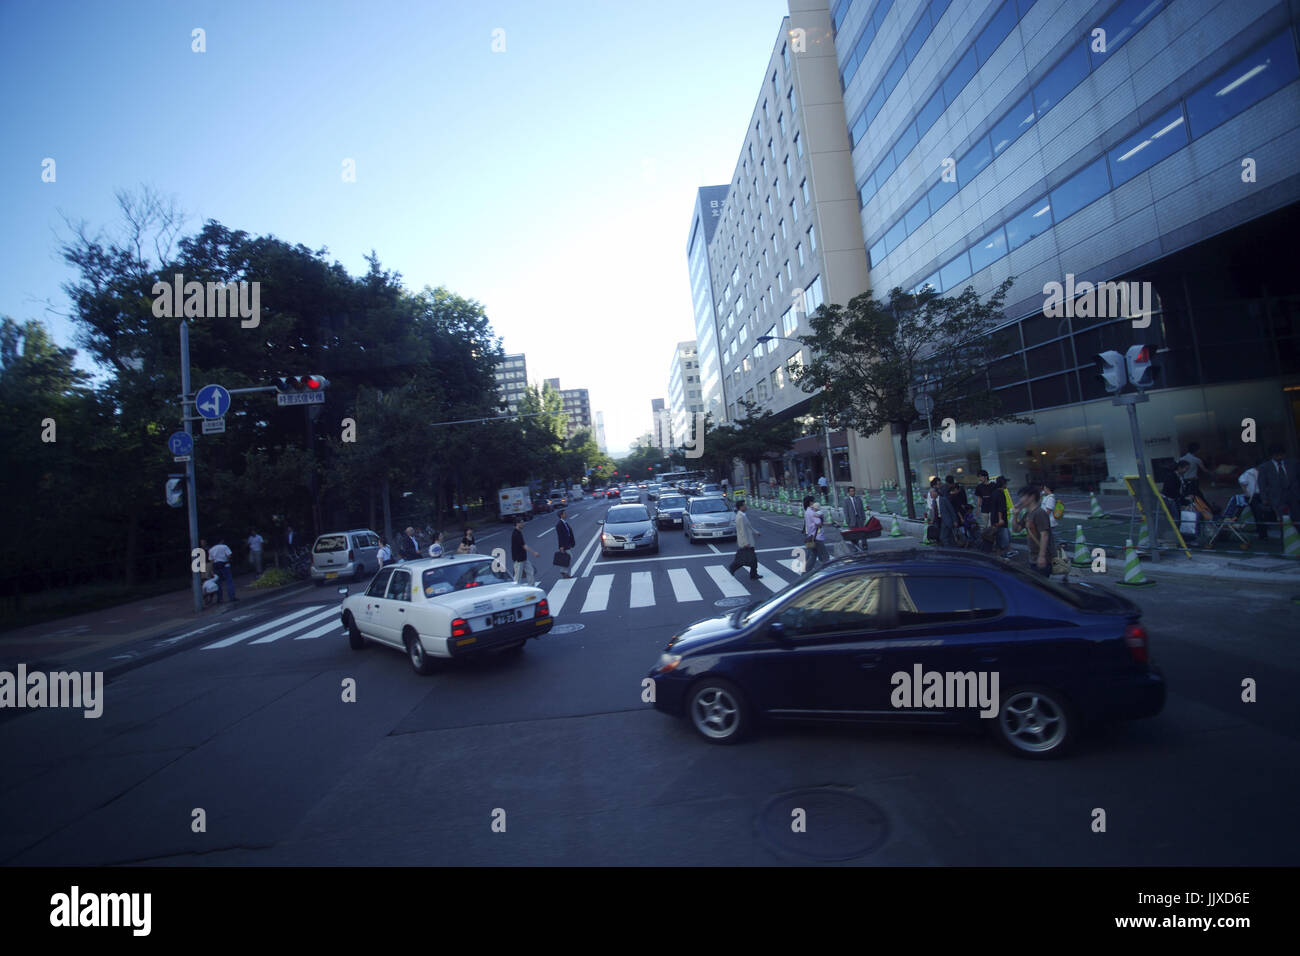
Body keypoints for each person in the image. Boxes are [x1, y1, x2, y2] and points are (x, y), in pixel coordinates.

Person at [1258, 444, 1300, 529]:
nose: (1279, 457)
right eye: (1276, 455)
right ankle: (1285, 538)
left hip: (1294, 494)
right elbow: (1262, 484)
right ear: (1272, 456)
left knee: (1297, 517)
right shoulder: (1265, 467)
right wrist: (1264, 499)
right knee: (1283, 519)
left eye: (1281, 455)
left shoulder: (1294, 463)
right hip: (1277, 496)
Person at [1017, 485, 1055, 577]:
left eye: (1023, 496)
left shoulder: (1039, 513)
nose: (1021, 500)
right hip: (1033, 558)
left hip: (1042, 558)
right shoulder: (1028, 514)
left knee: (1041, 587)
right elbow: (1016, 529)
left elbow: (1044, 535)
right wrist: (1015, 515)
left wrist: (1042, 556)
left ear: (1032, 497)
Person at [728, 500, 762, 580]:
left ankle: (753, 574)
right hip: (746, 542)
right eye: (744, 505)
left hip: (747, 541)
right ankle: (733, 567)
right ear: (741, 507)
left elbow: (748, 526)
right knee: (749, 558)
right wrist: (746, 542)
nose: (746, 506)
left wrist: (756, 532)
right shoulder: (740, 517)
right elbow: (742, 531)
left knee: (748, 558)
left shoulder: (742, 515)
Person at [1238, 462, 1268, 540]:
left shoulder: (1264, 472)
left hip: (1262, 494)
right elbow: (1242, 481)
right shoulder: (1249, 473)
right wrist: (1246, 492)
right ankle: (1262, 534)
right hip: (1253, 495)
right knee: (1258, 514)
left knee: (1263, 514)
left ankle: (1264, 532)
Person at [511, 518, 540, 587]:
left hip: (523, 557)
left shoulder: (519, 532)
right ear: (517, 524)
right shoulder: (515, 533)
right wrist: (534, 552)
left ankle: (531, 585)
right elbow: (523, 545)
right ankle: (515, 589)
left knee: (530, 571)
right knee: (518, 576)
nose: (523, 524)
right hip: (518, 559)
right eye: (521, 523)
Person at [988, 478, 1013, 558]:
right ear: (1003, 484)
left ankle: (1001, 554)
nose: (1006, 485)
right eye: (1005, 483)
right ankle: (1004, 554)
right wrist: (1000, 519)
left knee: (999, 537)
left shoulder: (994, 492)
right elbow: (1000, 508)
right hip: (1000, 519)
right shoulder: (1000, 493)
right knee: (1002, 536)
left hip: (994, 518)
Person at [803, 495, 830, 567]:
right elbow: (818, 523)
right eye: (813, 501)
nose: (815, 503)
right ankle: (826, 573)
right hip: (817, 537)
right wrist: (821, 517)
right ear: (810, 502)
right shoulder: (812, 512)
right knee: (825, 557)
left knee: (813, 556)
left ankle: (805, 573)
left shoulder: (807, 511)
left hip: (811, 536)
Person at [209, 537, 236, 603]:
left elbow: (211, 560)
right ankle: (231, 597)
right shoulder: (224, 546)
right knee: (229, 581)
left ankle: (220, 598)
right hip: (225, 565)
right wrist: (228, 561)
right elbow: (229, 556)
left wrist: (211, 570)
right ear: (221, 541)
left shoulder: (211, 549)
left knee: (218, 583)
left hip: (216, 566)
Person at [555, 509, 576, 579]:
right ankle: (565, 572)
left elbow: (568, 533)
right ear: (561, 515)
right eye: (564, 513)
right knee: (569, 557)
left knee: (567, 558)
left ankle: (564, 572)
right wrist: (561, 546)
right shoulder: (559, 525)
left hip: (567, 544)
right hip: (564, 545)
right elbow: (560, 536)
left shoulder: (564, 523)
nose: (566, 514)